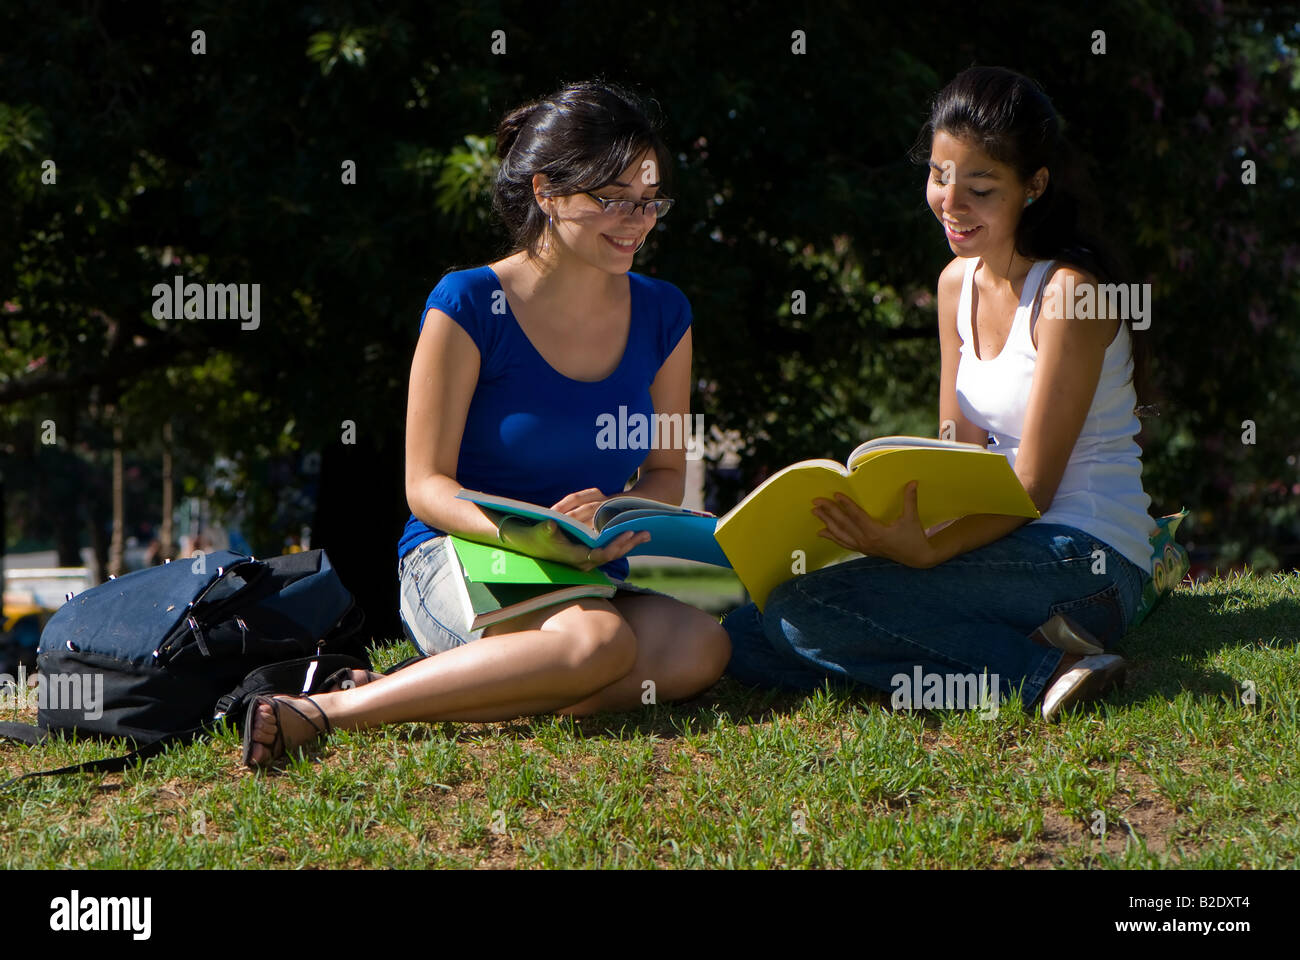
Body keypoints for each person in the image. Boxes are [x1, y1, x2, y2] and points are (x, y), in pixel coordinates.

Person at [242, 81, 729, 768]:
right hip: (458, 555)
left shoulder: (665, 314)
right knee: (601, 645)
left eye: (649, 199)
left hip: (587, 570)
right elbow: (426, 486)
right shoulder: (467, 303)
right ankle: (327, 711)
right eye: (611, 197)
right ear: (548, 193)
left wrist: (616, 509)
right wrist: (533, 533)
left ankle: (433, 692)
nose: (636, 219)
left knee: (702, 646)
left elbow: (667, 473)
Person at [722, 66, 1156, 719]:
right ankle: (974, 650)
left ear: (1033, 187)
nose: (950, 203)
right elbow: (961, 458)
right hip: (998, 543)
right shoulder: (956, 285)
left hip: (1085, 558)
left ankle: (1050, 669)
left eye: (979, 188)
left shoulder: (1070, 294)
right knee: (743, 637)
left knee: (806, 609)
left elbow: (1033, 490)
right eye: (938, 176)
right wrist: (894, 527)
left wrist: (927, 552)